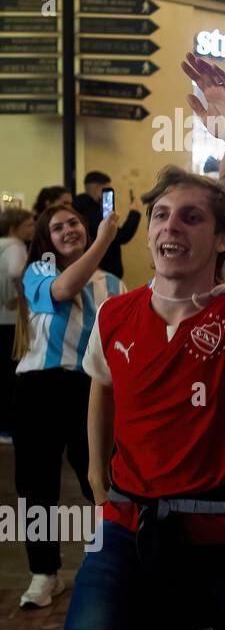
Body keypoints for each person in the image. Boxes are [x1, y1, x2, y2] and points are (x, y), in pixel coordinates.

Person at [52, 54, 225, 630]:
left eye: (192, 217)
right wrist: (100, 480)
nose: (170, 226)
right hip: (129, 536)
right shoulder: (114, 314)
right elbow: (101, 387)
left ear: (221, 241)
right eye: (161, 214)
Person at [11, 205, 126, 608]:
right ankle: (44, 574)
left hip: (90, 389)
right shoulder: (38, 274)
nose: (67, 230)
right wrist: (103, 240)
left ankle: (113, 567)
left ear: (84, 225)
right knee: (36, 485)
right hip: (37, 388)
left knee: (101, 479)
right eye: (57, 227)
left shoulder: (113, 283)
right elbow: (64, 291)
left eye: (73, 222)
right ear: (46, 240)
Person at [0, 208, 35, 443]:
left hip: (2, 317)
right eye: (28, 224)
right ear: (14, 228)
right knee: (11, 375)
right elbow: (16, 272)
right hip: (11, 319)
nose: (32, 228)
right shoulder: (14, 245)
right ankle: (8, 427)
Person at [73, 171, 142, 279]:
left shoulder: (86, 207)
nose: (109, 193)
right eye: (107, 188)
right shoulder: (89, 210)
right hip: (102, 274)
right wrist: (134, 212)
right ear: (97, 188)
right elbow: (121, 236)